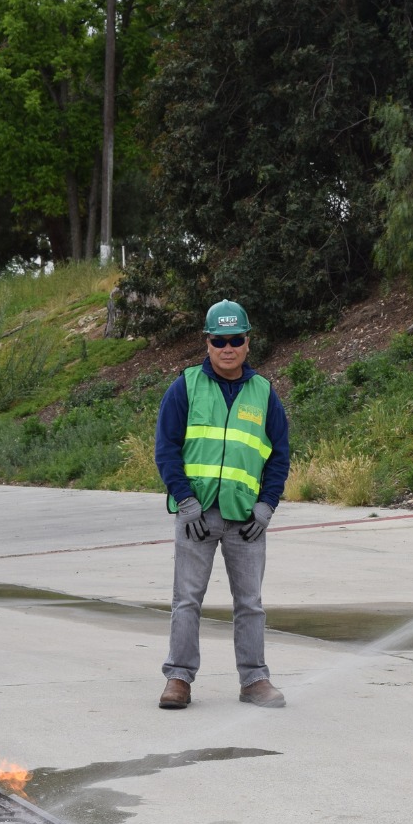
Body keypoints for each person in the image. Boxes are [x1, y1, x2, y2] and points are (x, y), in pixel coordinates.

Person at [154, 299, 291, 710]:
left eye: (235, 339)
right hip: (196, 516)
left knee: (250, 603)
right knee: (187, 599)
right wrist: (185, 502)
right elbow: (167, 449)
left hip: (246, 519)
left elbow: (279, 456)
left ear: (248, 342)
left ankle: (254, 680)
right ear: (207, 342)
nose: (227, 347)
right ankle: (178, 678)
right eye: (219, 340)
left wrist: (267, 506)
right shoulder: (185, 386)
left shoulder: (264, 393)